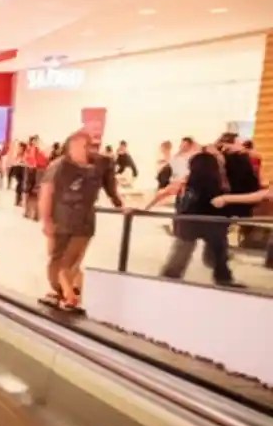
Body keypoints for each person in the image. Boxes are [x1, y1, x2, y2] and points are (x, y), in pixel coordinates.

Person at [38, 131, 121, 313]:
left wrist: (119, 204)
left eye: (89, 146)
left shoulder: (100, 164)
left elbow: (110, 186)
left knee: (70, 260)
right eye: (83, 146)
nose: (87, 150)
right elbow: (46, 193)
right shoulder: (58, 167)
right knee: (57, 260)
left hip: (84, 222)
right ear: (71, 146)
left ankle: (69, 295)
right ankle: (62, 292)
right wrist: (46, 220)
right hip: (62, 220)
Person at [145, 148, 244, 288]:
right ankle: (223, 277)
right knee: (218, 251)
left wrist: (145, 208)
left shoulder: (187, 182)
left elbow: (163, 193)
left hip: (189, 221)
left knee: (181, 252)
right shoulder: (220, 183)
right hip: (213, 222)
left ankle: (169, 278)